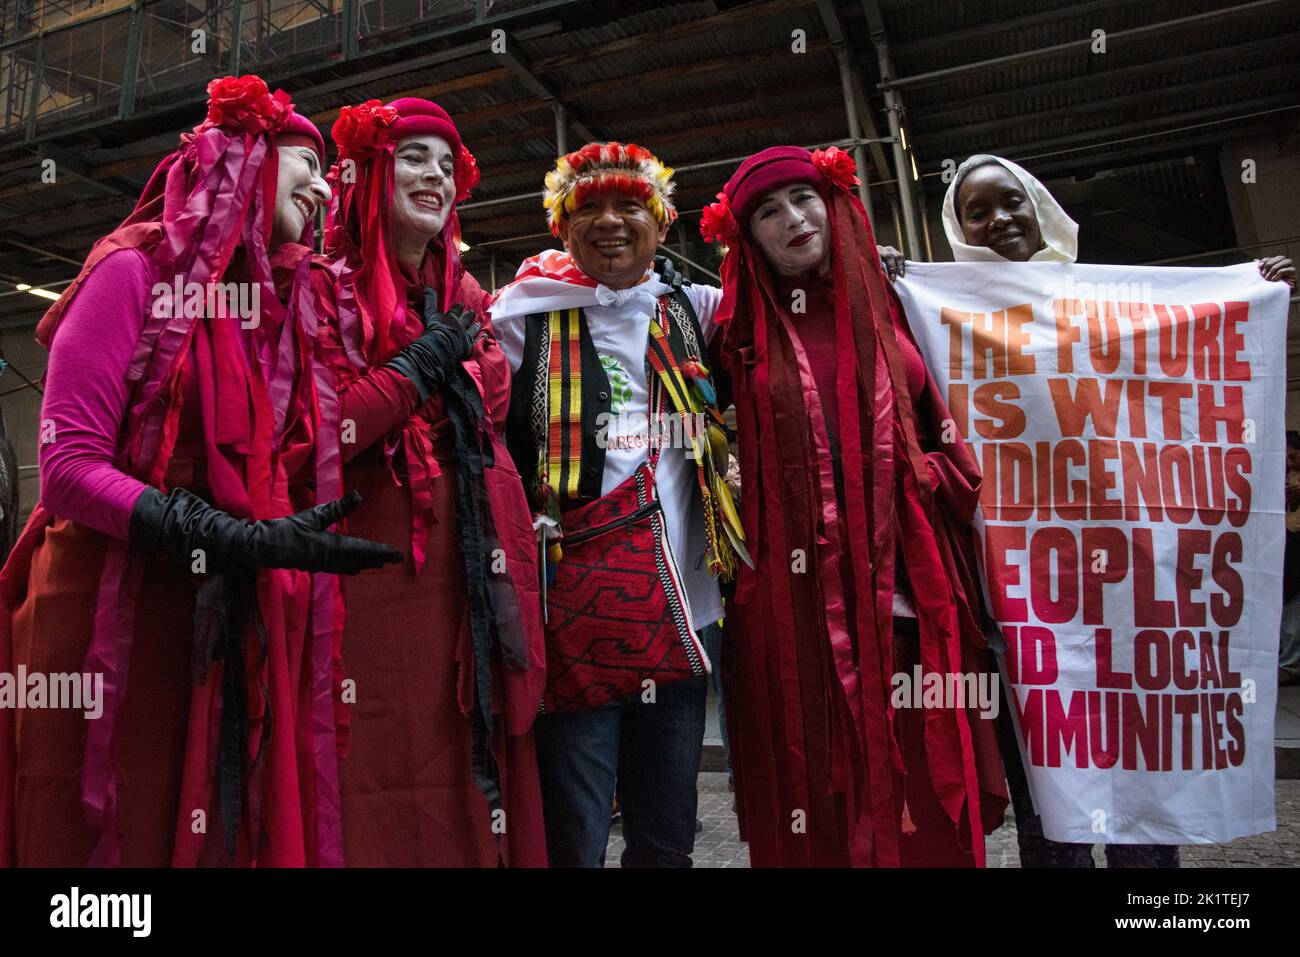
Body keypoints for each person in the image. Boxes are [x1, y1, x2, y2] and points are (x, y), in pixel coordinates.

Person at [0, 76, 400, 867]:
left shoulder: (277, 316)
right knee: (108, 833)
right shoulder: (131, 273)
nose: (326, 188)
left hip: (212, 616)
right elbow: (68, 468)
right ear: (247, 157)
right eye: (306, 165)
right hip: (109, 616)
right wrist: (212, 531)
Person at [942, 153, 1296, 867]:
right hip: (1022, 616)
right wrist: (880, 273)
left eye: (1011, 201)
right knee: (1052, 822)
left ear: (1039, 205)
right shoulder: (941, 313)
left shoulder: (1112, 300)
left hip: (1128, 602)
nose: (999, 219)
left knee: (1140, 807)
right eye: (977, 211)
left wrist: (1251, 292)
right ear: (959, 230)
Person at [698, 146, 1006, 867]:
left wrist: (918, 478)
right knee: (812, 772)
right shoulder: (730, 336)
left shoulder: (905, 305)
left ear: (834, 205)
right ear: (748, 238)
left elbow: (1028, 328)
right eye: (767, 212)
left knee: (922, 763)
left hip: (910, 581)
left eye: (803, 199)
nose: (791, 220)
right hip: (792, 604)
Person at [490, 141, 743, 867]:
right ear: (561, 230)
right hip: (572, 617)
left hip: (685, 612)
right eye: (588, 208)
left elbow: (799, 313)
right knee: (575, 833)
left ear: (662, 224)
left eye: (629, 205)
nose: (609, 221)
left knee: (667, 834)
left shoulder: (696, 311)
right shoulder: (518, 321)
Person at [312, 97, 547, 866]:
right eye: (414, 157)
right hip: (372, 560)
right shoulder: (320, 286)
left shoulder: (465, 293)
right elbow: (326, 432)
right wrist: (422, 366)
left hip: (471, 559)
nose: (435, 177)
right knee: (378, 751)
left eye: (448, 166)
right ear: (370, 170)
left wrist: (438, 356)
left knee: (468, 744)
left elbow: (496, 402)